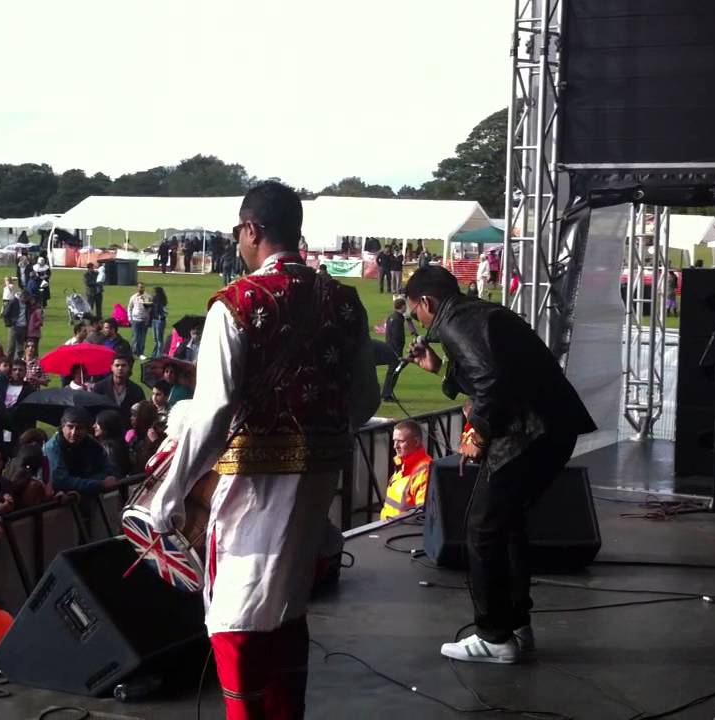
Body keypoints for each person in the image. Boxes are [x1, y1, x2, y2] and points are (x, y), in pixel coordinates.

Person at [150, 182, 378, 718]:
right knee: (286, 604)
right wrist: (314, 430)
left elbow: (212, 415)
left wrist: (168, 493)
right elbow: (364, 397)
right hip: (319, 474)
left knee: (237, 617)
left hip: (252, 485)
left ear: (250, 230)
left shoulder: (236, 302)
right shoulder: (345, 302)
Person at [402, 264, 596, 664]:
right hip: (550, 430)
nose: (416, 319)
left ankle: (494, 636)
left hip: (530, 435)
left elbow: (490, 382)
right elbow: (491, 371)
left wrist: (477, 434)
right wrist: (440, 369)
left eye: (414, 311)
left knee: (483, 529)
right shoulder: (475, 314)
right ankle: (514, 625)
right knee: (504, 526)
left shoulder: (455, 322)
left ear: (427, 301)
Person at [43, 407, 118, 495]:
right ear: (62, 426)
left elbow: (108, 468)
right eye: (70, 427)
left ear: (86, 430)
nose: (73, 432)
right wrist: (98, 484)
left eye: (79, 428)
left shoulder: (90, 443)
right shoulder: (52, 448)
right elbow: (61, 480)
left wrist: (94, 481)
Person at [380, 421, 433, 520]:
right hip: (390, 528)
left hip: (401, 530)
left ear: (416, 442)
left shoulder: (424, 471)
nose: (395, 446)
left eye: (400, 441)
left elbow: (421, 514)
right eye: (394, 441)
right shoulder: (403, 464)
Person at [128, 283, 151, 359]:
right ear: (137, 288)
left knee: (142, 337)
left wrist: (148, 319)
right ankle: (133, 352)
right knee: (135, 337)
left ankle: (141, 353)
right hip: (135, 319)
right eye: (140, 287)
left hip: (144, 319)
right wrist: (129, 318)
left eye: (143, 287)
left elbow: (150, 309)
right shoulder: (133, 297)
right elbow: (130, 308)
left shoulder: (148, 296)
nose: (141, 289)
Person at [149, 287, 169, 358]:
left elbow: (166, 311)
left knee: (159, 339)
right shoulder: (153, 300)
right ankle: (154, 354)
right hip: (154, 320)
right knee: (155, 339)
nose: (153, 293)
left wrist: (161, 315)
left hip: (160, 321)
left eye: (154, 292)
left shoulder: (163, 301)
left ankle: (159, 355)